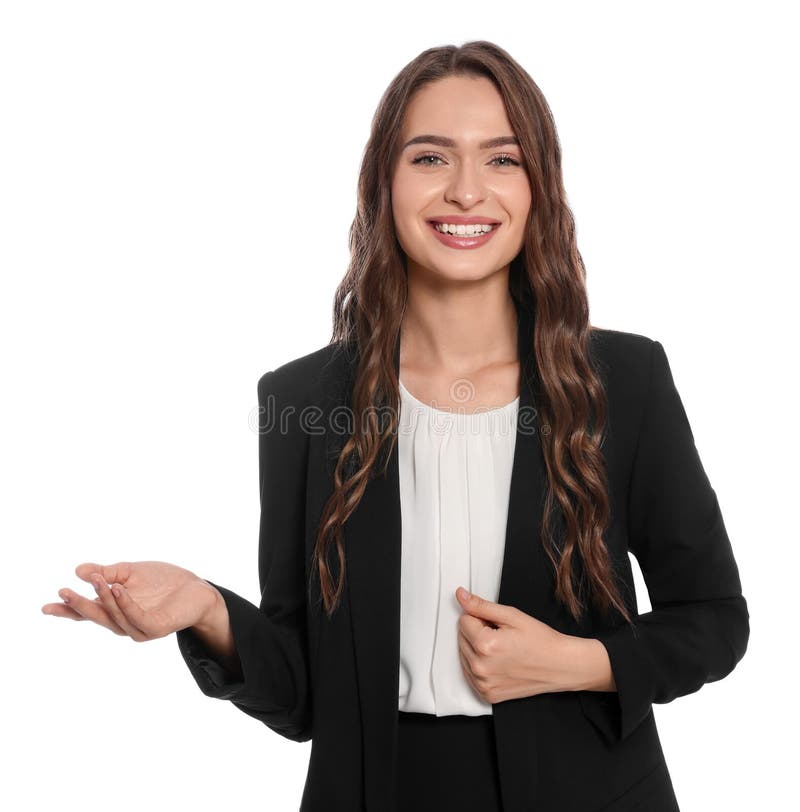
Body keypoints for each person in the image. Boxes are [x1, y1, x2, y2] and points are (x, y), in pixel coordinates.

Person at [41, 40, 749, 812]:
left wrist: (576, 663)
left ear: (540, 185)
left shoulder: (624, 381)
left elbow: (714, 621)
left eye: (503, 160)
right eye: (431, 158)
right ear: (384, 181)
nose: (468, 192)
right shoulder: (302, 398)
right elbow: (305, 695)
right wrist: (207, 610)